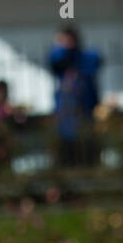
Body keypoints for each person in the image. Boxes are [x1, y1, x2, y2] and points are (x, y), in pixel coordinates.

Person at [49, 24, 102, 168]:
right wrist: (61, 47)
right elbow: (54, 60)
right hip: (66, 115)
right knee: (67, 153)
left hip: (85, 110)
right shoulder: (60, 58)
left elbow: (96, 60)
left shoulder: (84, 57)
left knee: (88, 150)